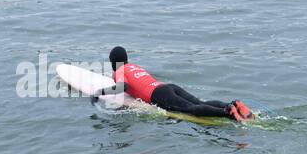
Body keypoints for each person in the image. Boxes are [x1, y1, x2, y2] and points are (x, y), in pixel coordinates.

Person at [94, 46, 253, 122]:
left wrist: (100, 92)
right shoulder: (133, 66)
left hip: (158, 94)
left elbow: (122, 87)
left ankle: (227, 112)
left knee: (190, 109)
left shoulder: (119, 70)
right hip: (167, 87)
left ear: (113, 62)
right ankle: (233, 104)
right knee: (198, 102)